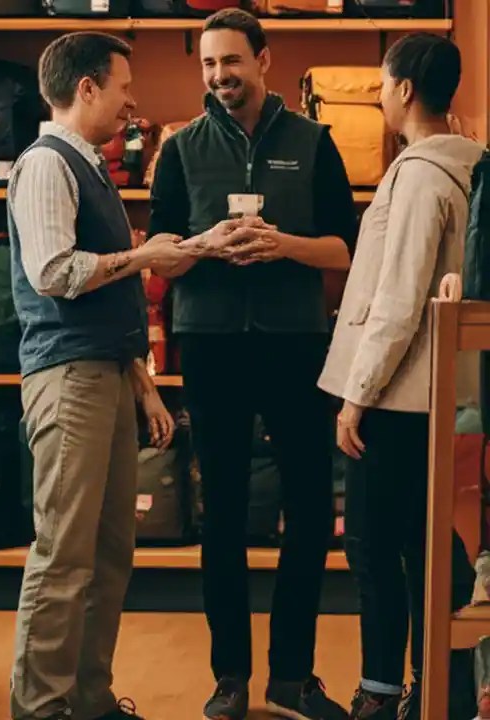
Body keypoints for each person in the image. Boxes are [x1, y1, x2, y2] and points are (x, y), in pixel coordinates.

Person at [147, 8, 360, 719]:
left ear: (264, 60)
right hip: (210, 345)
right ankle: (229, 679)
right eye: (208, 65)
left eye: (230, 62)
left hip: (296, 344)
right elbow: (162, 255)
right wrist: (207, 244)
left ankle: (292, 677)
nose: (219, 77)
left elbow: (345, 250)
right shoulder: (179, 149)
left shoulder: (314, 142)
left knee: (305, 513)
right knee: (224, 515)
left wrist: (284, 246)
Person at [6, 31, 187, 720]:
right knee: (63, 553)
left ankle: (87, 700)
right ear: (86, 88)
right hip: (68, 377)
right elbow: (53, 272)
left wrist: (142, 384)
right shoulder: (47, 164)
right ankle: (41, 707)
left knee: (110, 552)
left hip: (105, 375)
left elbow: (105, 297)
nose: (131, 100)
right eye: (121, 85)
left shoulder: (86, 165)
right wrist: (144, 258)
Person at [318, 32, 483, 720]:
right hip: (436, 392)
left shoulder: (418, 174)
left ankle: (387, 692)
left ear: (406, 89)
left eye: (383, 83)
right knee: (426, 538)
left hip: (399, 394)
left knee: (375, 544)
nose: (380, 94)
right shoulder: (468, 164)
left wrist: (358, 395)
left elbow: (399, 297)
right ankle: (438, 688)